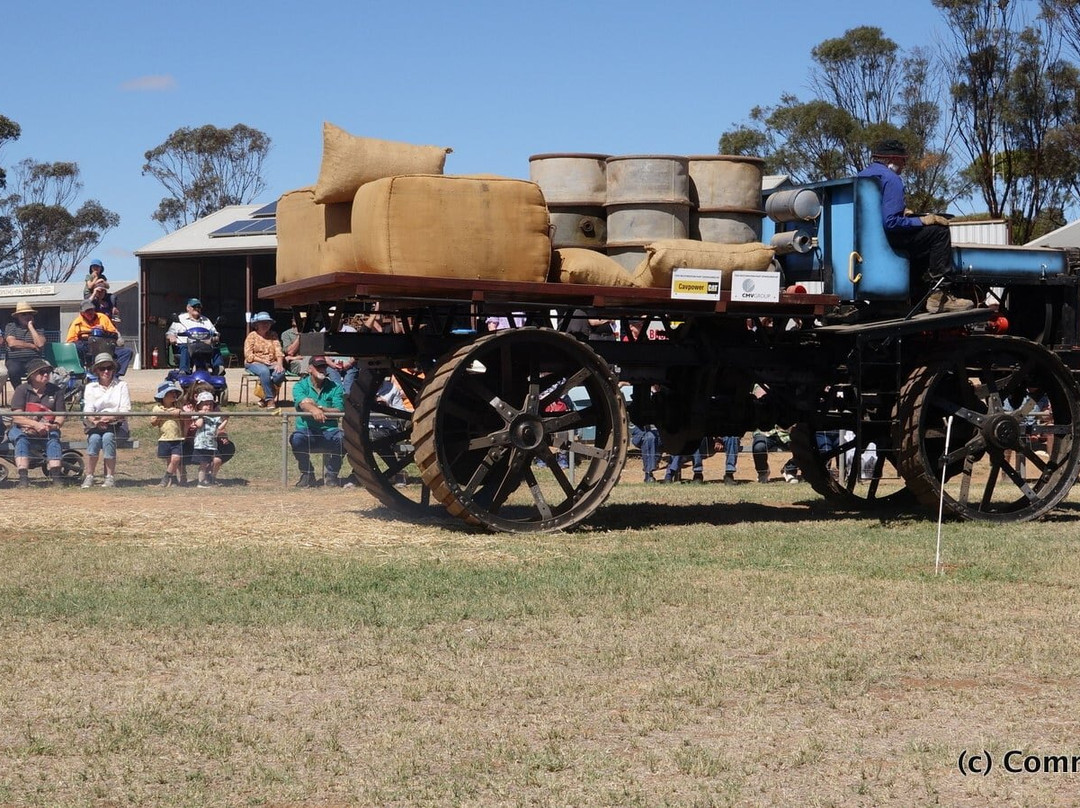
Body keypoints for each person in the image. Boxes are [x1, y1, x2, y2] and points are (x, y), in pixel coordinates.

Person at [856, 138, 973, 313]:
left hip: (865, 242)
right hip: (887, 239)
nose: (904, 166)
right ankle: (939, 296)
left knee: (919, 242)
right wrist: (923, 220)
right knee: (938, 232)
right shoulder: (891, 178)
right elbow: (891, 223)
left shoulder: (861, 176)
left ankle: (905, 295)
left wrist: (904, 214)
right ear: (893, 160)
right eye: (903, 161)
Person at [8, 357, 66, 487]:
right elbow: (16, 417)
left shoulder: (56, 391)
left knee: (54, 438)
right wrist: (35, 425)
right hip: (22, 428)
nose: (46, 375)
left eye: (48, 372)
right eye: (42, 372)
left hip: (48, 428)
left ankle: (56, 477)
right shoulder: (21, 390)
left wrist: (55, 425)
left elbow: (61, 415)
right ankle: (23, 478)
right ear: (32, 375)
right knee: (20, 438)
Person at [290, 355, 345, 488]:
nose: (322, 369)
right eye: (318, 366)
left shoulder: (335, 387)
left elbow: (339, 410)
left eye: (324, 366)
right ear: (310, 369)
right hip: (307, 431)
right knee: (296, 439)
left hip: (330, 432)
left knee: (344, 439)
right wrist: (313, 410)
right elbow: (302, 404)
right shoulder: (300, 386)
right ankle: (307, 473)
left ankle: (332, 474)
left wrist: (320, 408)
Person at [80, 352, 130, 488]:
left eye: (109, 368)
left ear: (114, 370)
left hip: (117, 424)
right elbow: (88, 410)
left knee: (108, 437)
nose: (106, 371)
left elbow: (125, 410)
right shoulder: (90, 387)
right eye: (102, 368)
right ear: (96, 371)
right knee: (95, 439)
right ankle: (89, 475)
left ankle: (109, 477)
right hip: (96, 424)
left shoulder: (122, 385)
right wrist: (95, 421)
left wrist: (110, 418)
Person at [65, 299, 133, 375]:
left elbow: (114, 335)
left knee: (126, 352)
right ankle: (82, 373)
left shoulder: (103, 318)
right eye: (87, 311)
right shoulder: (76, 323)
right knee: (77, 347)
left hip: (106, 347)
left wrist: (103, 331)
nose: (90, 313)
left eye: (92, 310)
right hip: (87, 349)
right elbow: (70, 342)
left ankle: (115, 375)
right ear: (82, 313)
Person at [166, 298, 222, 373]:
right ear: (188, 308)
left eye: (199, 307)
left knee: (215, 347)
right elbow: (169, 333)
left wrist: (213, 339)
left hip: (203, 346)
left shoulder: (206, 320)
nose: (197, 308)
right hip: (185, 346)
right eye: (194, 306)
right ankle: (184, 370)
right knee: (185, 347)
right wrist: (171, 337)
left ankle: (218, 368)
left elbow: (216, 333)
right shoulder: (180, 319)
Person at [244, 311, 286, 408]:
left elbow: (278, 350)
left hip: (272, 362)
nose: (265, 325)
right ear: (256, 325)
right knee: (264, 371)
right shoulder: (252, 336)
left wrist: (280, 364)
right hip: (254, 362)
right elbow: (248, 355)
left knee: (280, 373)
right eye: (262, 322)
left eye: (267, 323)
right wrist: (263, 361)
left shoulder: (273, 335)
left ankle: (264, 398)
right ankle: (270, 400)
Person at [149, 381, 186, 487]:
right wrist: (162, 415)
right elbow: (153, 423)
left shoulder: (178, 407)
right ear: (163, 396)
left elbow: (185, 418)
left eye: (175, 392)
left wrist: (179, 412)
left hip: (177, 438)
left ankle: (165, 479)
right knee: (170, 460)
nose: (174, 394)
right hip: (164, 438)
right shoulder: (157, 408)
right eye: (170, 393)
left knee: (176, 459)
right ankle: (173, 479)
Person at [4, 300, 47, 389]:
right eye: (23, 314)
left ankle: (34, 394)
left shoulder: (38, 328)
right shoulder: (11, 326)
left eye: (29, 314)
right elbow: (12, 343)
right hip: (14, 360)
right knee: (13, 370)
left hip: (33, 359)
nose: (27, 316)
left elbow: (40, 344)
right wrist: (31, 345)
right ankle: (20, 392)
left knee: (41, 369)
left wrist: (31, 327)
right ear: (18, 316)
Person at [190, 390, 227, 488]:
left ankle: (212, 478)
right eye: (205, 404)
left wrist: (226, 420)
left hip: (212, 444)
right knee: (203, 464)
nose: (208, 406)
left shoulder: (215, 416)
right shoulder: (197, 414)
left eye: (210, 404)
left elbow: (219, 428)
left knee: (217, 460)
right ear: (199, 406)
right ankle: (201, 482)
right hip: (201, 444)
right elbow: (199, 424)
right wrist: (202, 415)